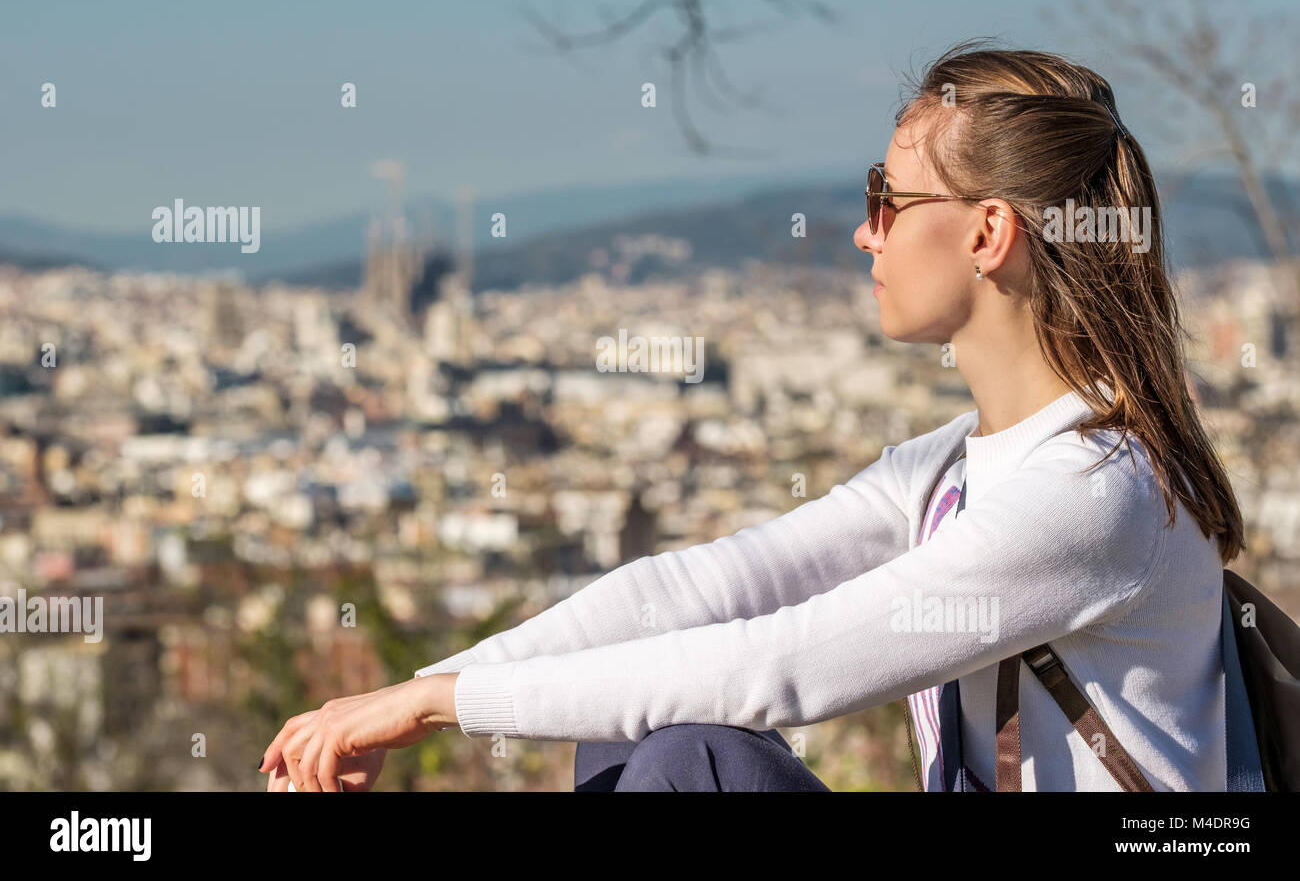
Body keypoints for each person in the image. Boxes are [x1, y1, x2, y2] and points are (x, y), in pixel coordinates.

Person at [260, 40, 1245, 792]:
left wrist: (436, 703)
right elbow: (693, 592)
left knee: (693, 750)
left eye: (887, 199)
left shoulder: (1092, 492)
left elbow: (772, 668)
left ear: (988, 233)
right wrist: (404, 696)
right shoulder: (952, 465)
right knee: (633, 708)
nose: (865, 233)